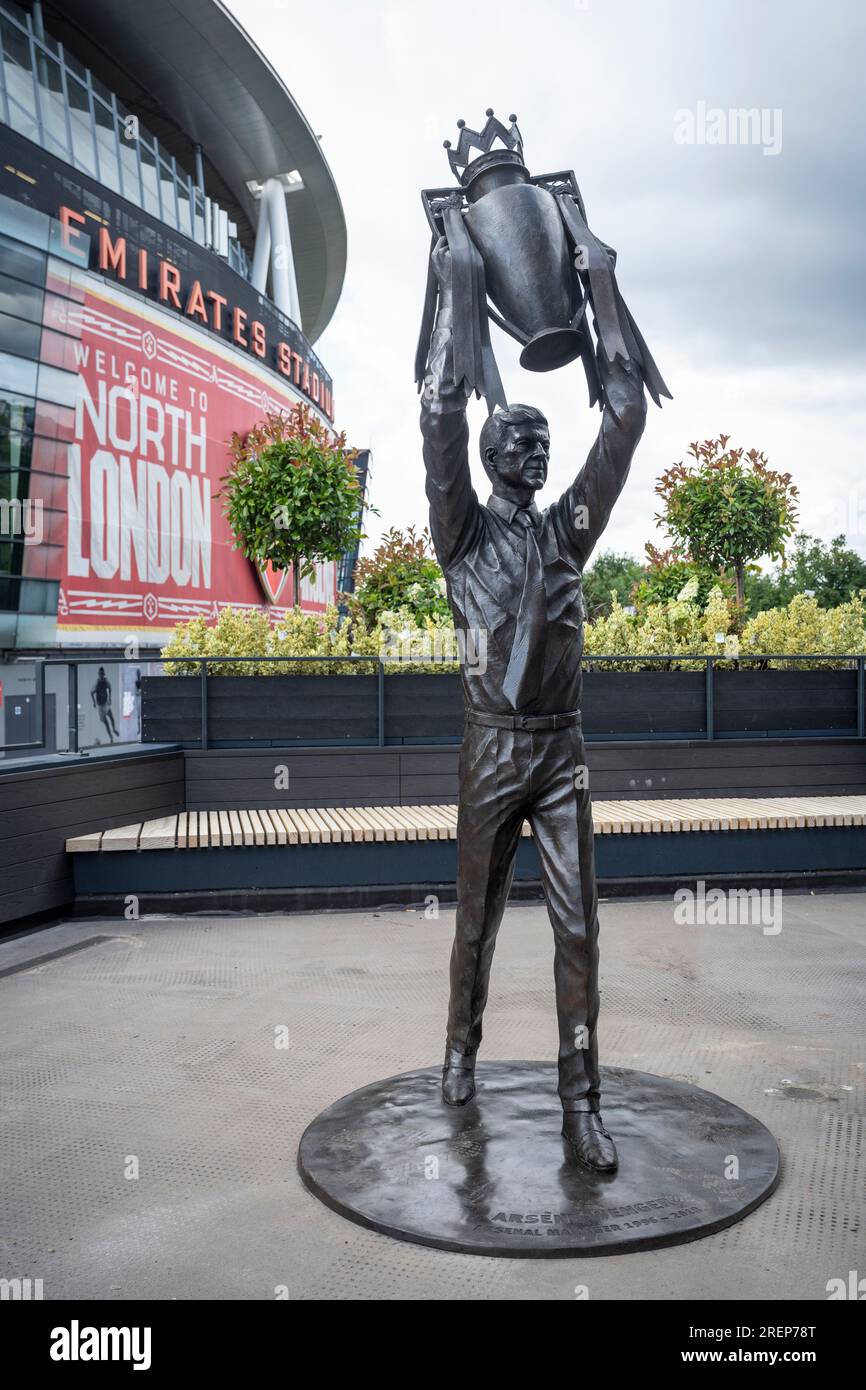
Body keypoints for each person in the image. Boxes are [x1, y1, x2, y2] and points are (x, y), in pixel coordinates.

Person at [420, 237, 648, 1172]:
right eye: (522, 436)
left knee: (579, 927)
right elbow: (438, 409)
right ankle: (459, 1053)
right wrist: (457, 292)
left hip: (561, 753)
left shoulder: (569, 533)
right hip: (490, 750)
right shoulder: (462, 533)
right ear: (490, 454)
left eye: (546, 440)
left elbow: (625, 419)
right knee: (476, 919)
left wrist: (599, 286)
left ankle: (581, 1101)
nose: (539, 447)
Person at [91, 666, 119, 743]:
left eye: (102, 674)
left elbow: (110, 688)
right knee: (106, 723)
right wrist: (94, 702)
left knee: (111, 717)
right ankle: (111, 737)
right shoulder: (97, 683)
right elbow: (91, 692)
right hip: (100, 705)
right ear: (99, 675)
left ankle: (114, 729)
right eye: (100, 674)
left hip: (105, 703)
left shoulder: (106, 681)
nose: (102, 676)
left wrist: (110, 698)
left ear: (104, 674)